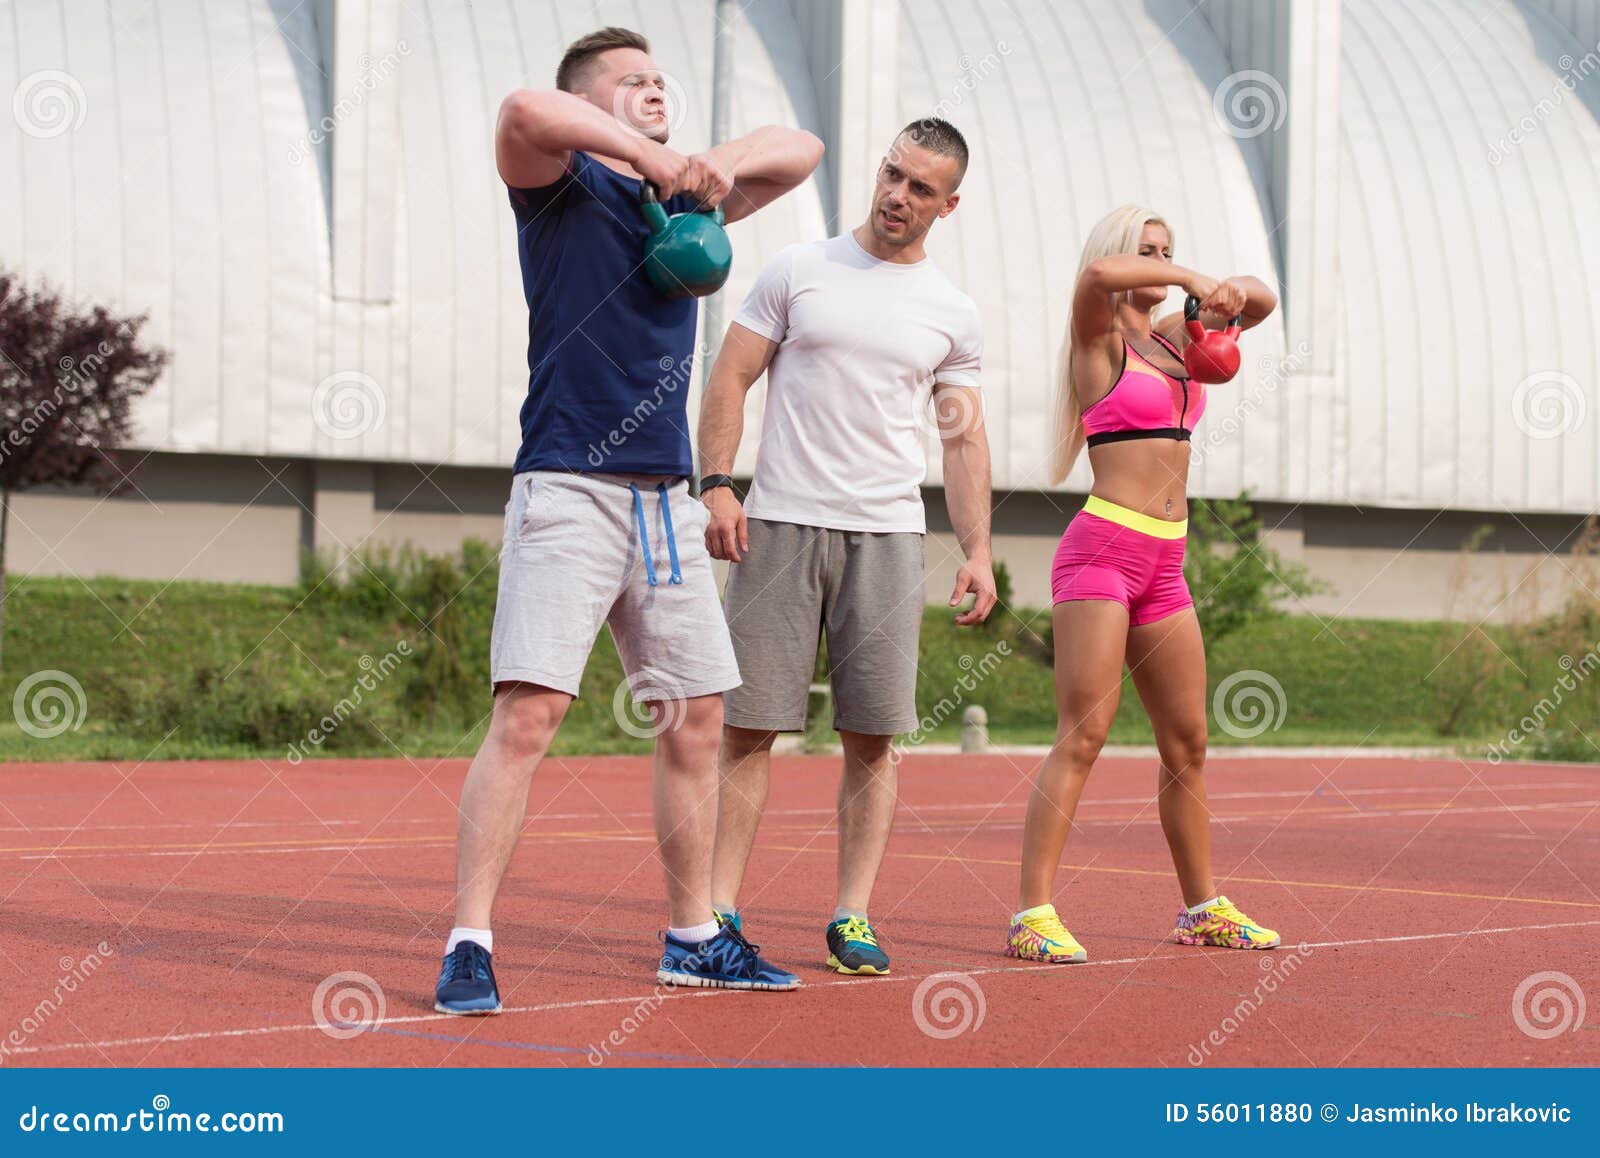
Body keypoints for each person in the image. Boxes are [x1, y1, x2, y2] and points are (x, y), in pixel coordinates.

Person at [434, 26, 824, 1014]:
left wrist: (702, 172)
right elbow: (523, 109)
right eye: (632, 82)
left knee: (696, 721)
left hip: (664, 500)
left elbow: (802, 147)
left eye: (662, 81)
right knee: (529, 715)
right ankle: (468, 942)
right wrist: (650, 156)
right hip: (568, 484)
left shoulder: (685, 200)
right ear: (593, 101)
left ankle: (693, 937)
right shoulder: (559, 186)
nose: (656, 90)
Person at [698, 118, 994, 979]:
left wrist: (976, 549)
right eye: (893, 175)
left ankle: (851, 916)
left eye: (922, 188)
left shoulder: (953, 311)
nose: (899, 196)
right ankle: (717, 910)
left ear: (950, 203)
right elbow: (730, 375)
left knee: (873, 738)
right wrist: (718, 481)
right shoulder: (800, 269)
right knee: (750, 729)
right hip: (781, 522)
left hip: (890, 537)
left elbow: (964, 441)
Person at [1008, 205, 1281, 963]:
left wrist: (1217, 294)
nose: (1160, 262)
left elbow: (1262, 300)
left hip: (1167, 562)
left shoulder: (1180, 347)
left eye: (1168, 250)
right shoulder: (1097, 341)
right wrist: (1187, 274)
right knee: (1085, 733)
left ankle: (1201, 908)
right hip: (1102, 552)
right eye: (1148, 252)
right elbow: (1098, 277)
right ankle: (1033, 912)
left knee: (1188, 742)